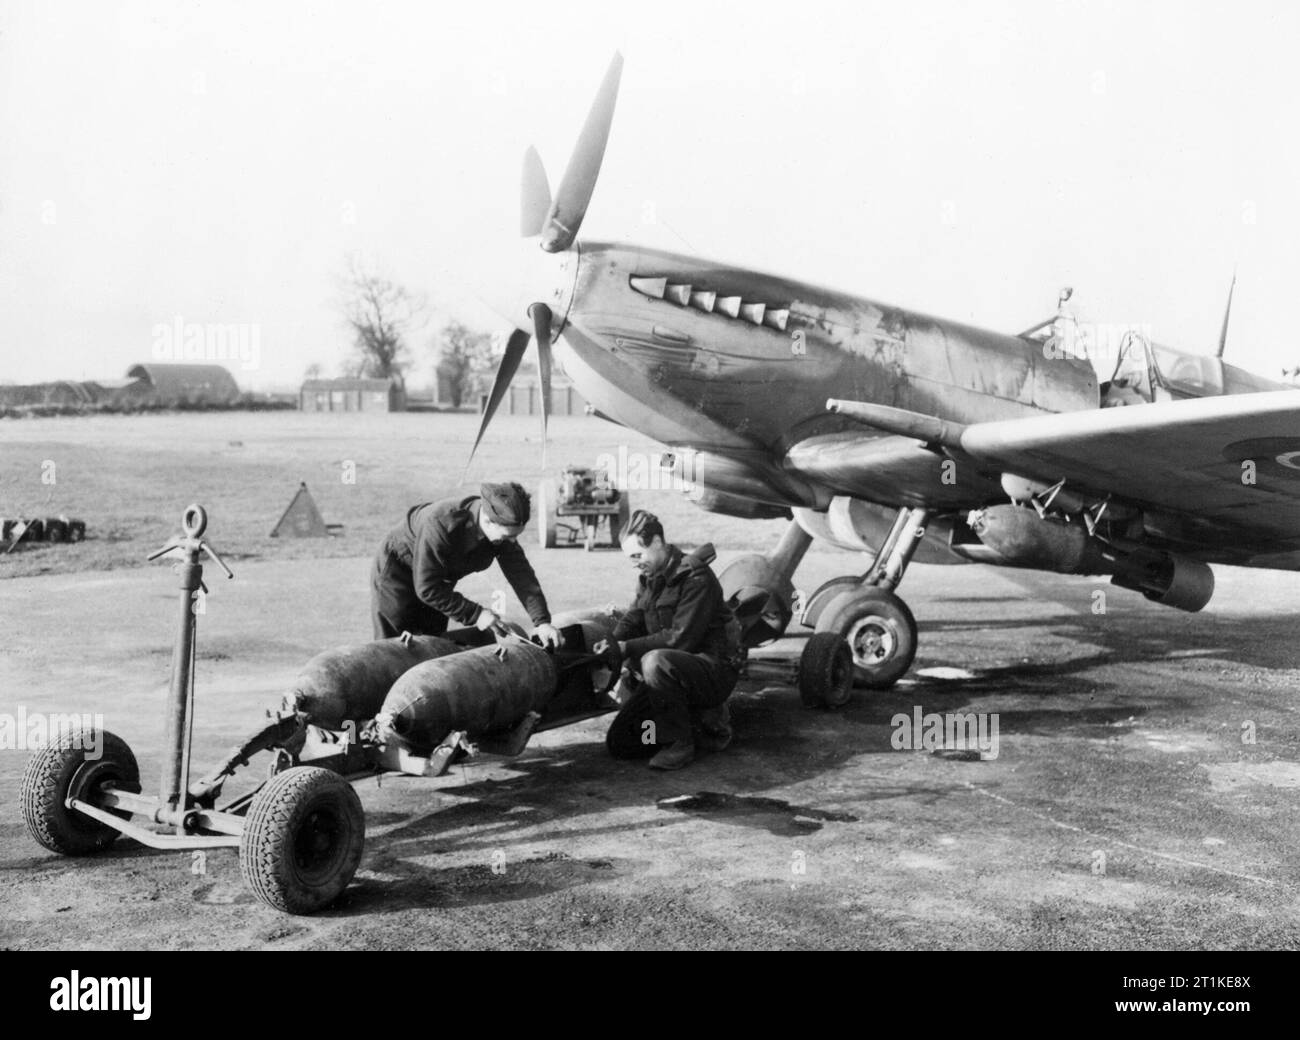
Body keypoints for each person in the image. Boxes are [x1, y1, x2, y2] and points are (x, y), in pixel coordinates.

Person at [605, 509, 743, 770]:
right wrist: (612, 643)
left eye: (637, 555)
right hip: (675, 673)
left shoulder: (695, 576)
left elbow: (680, 639)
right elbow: (634, 616)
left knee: (654, 660)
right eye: (630, 557)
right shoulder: (649, 577)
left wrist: (627, 648)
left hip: (712, 670)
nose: (634, 562)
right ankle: (693, 720)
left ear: (657, 542)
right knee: (622, 743)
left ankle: (680, 743)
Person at [370, 481, 561, 649]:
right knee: (393, 649)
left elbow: (522, 577)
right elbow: (427, 587)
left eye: (515, 536)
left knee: (432, 645)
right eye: (507, 536)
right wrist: (476, 614)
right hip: (398, 573)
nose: (511, 542)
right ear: (487, 520)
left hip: (438, 580)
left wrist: (542, 622)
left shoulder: (502, 533)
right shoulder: (441, 524)